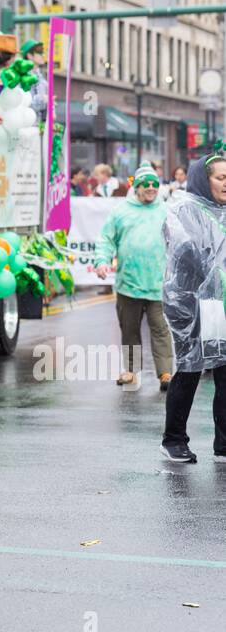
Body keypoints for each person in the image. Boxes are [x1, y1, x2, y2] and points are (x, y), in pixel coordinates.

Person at [160, 148, 226, 463]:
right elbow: (187, 251)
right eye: (221, 177)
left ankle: (224, 443)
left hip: (221, 303)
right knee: (190, 369)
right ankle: (173, 440)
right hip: (192, 304)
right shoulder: (184, 208)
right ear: (204, 179)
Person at [94, 163, 173, 392]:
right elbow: (106, 240)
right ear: (136, 187)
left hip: (158, 283)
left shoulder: (166, 211)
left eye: (154, 184)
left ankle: (165, 373)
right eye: (145, 184)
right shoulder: (122, 211)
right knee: (130, 329)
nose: (151, 188)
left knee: (160, 329)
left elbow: (179, 241)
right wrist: (102, 262)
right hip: (129, 283)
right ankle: (130, 371)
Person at [20, 38, 48, 120]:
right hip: (25, 126)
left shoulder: (42, 80)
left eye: (43, 51)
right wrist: (43, 100)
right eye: (39, 52)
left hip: (39, 126)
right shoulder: (22, 78)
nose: (43, 55)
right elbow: (23, 104)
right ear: (29, 55)